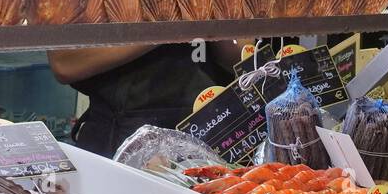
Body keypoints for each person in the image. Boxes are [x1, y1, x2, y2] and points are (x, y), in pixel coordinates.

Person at [48, 40, 246, 156]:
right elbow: (64, 64)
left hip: (209, 132)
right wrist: (165, 28)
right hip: (122, 140)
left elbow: (242, 57)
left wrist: (214, 21)